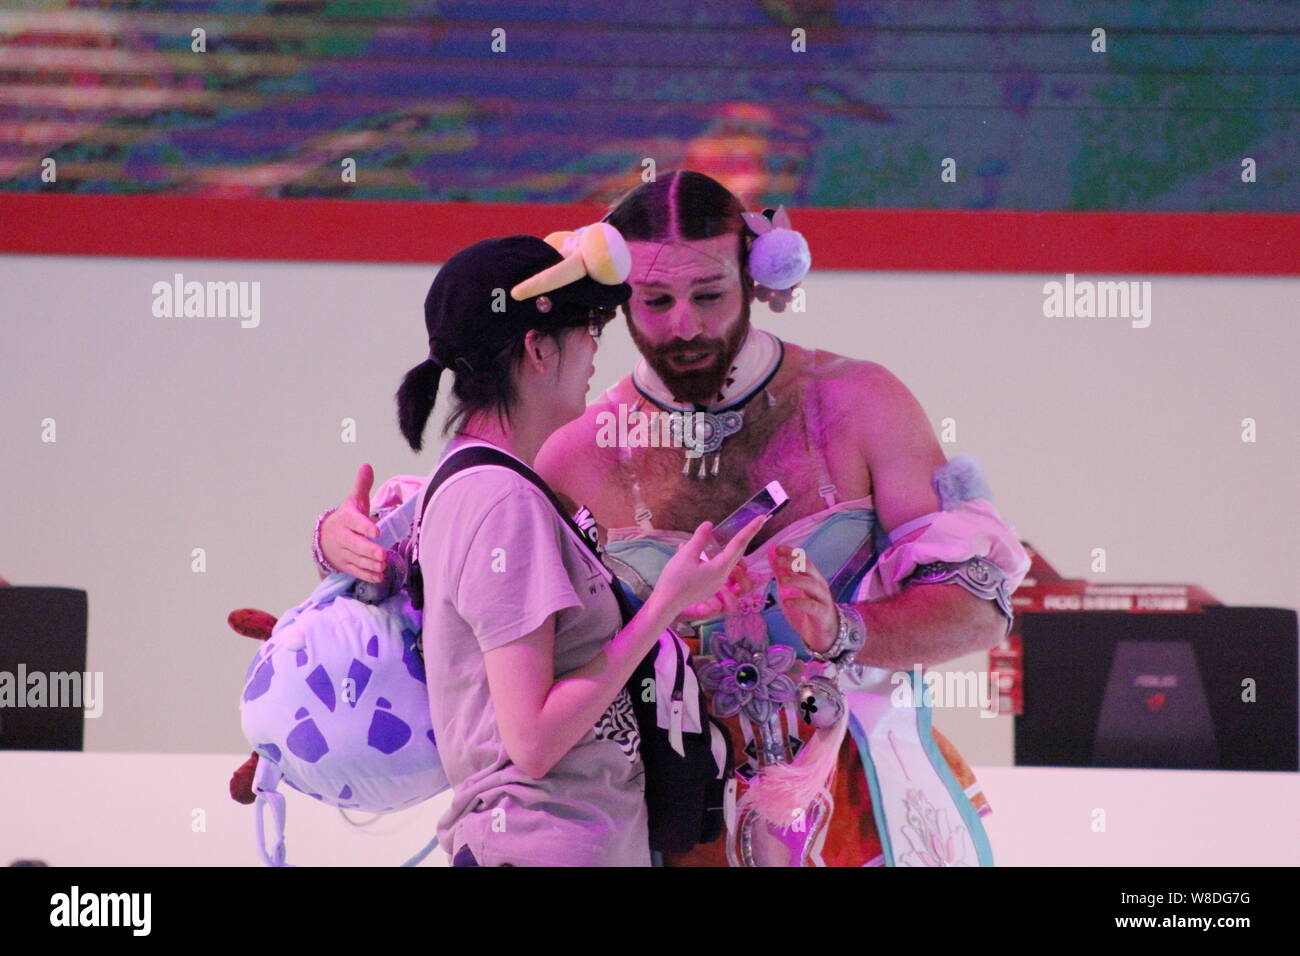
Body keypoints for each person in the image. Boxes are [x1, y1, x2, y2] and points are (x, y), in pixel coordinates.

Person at [323, 171, 1031, 866]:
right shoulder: (575, 448)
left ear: (756, 278)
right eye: (655, 300)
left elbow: (981, 607)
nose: (684, 325)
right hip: (672, 819)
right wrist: (337, 545)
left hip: (862, 809)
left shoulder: (858, 403)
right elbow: (452, 543)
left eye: (710, 294)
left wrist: (848, 630)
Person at [375, 233, 766, 867]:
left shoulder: (469, 484)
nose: (593, 353)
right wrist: (663, 605)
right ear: (536, 347)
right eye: (588, 330)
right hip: (549, 843)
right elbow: (532, 738)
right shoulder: (504, 502)